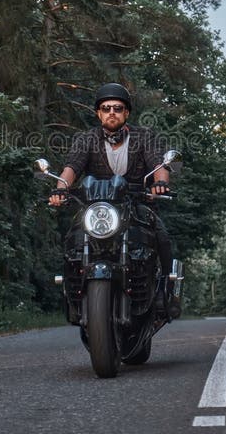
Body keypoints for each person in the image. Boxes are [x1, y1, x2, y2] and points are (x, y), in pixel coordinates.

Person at [49, 83, 180, 318]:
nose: (112, 112)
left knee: (160, 236)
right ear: (98, 113)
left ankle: (165, 292)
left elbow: (160, 164)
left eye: (117, 108)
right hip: (96, 208)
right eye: (106, 108)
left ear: (126, 113)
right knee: (73, 237)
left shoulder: (143, 136)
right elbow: (72, 167)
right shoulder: (87, 138)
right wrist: (60, 190)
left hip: (136, 203)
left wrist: (161, 183)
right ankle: (72, 294)